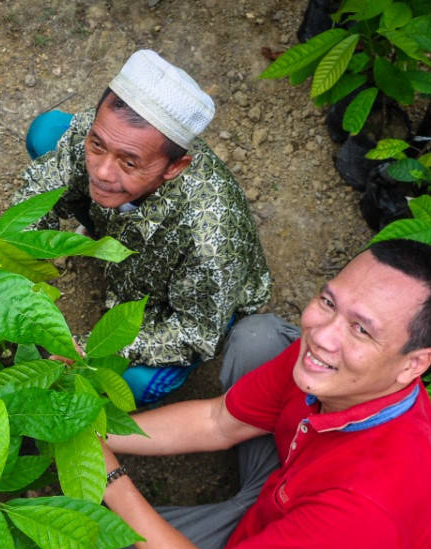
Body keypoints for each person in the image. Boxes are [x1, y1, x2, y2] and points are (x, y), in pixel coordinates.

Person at [85, 239, 431, 549]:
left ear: (413, 364)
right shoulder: (331, 368)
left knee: (92, 544)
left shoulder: (366, 509)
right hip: (293, 480)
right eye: (327, 302)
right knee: (259, 337)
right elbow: (218, 422)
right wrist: (93, 433)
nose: (321, 336)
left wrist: (111, 480)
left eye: (361, 329)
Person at [15, 49, 272, 405]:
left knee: (135, 382)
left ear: (174, 167)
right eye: (96, 144)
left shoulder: (211, 240)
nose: (102, 171)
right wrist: (18, 271)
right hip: (120, 225)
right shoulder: (109, 135)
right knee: (47, 133)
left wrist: (95, 347)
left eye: (129, 162)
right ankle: (105, 225)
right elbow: (37, 195)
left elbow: (195, 331)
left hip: (181, 298)